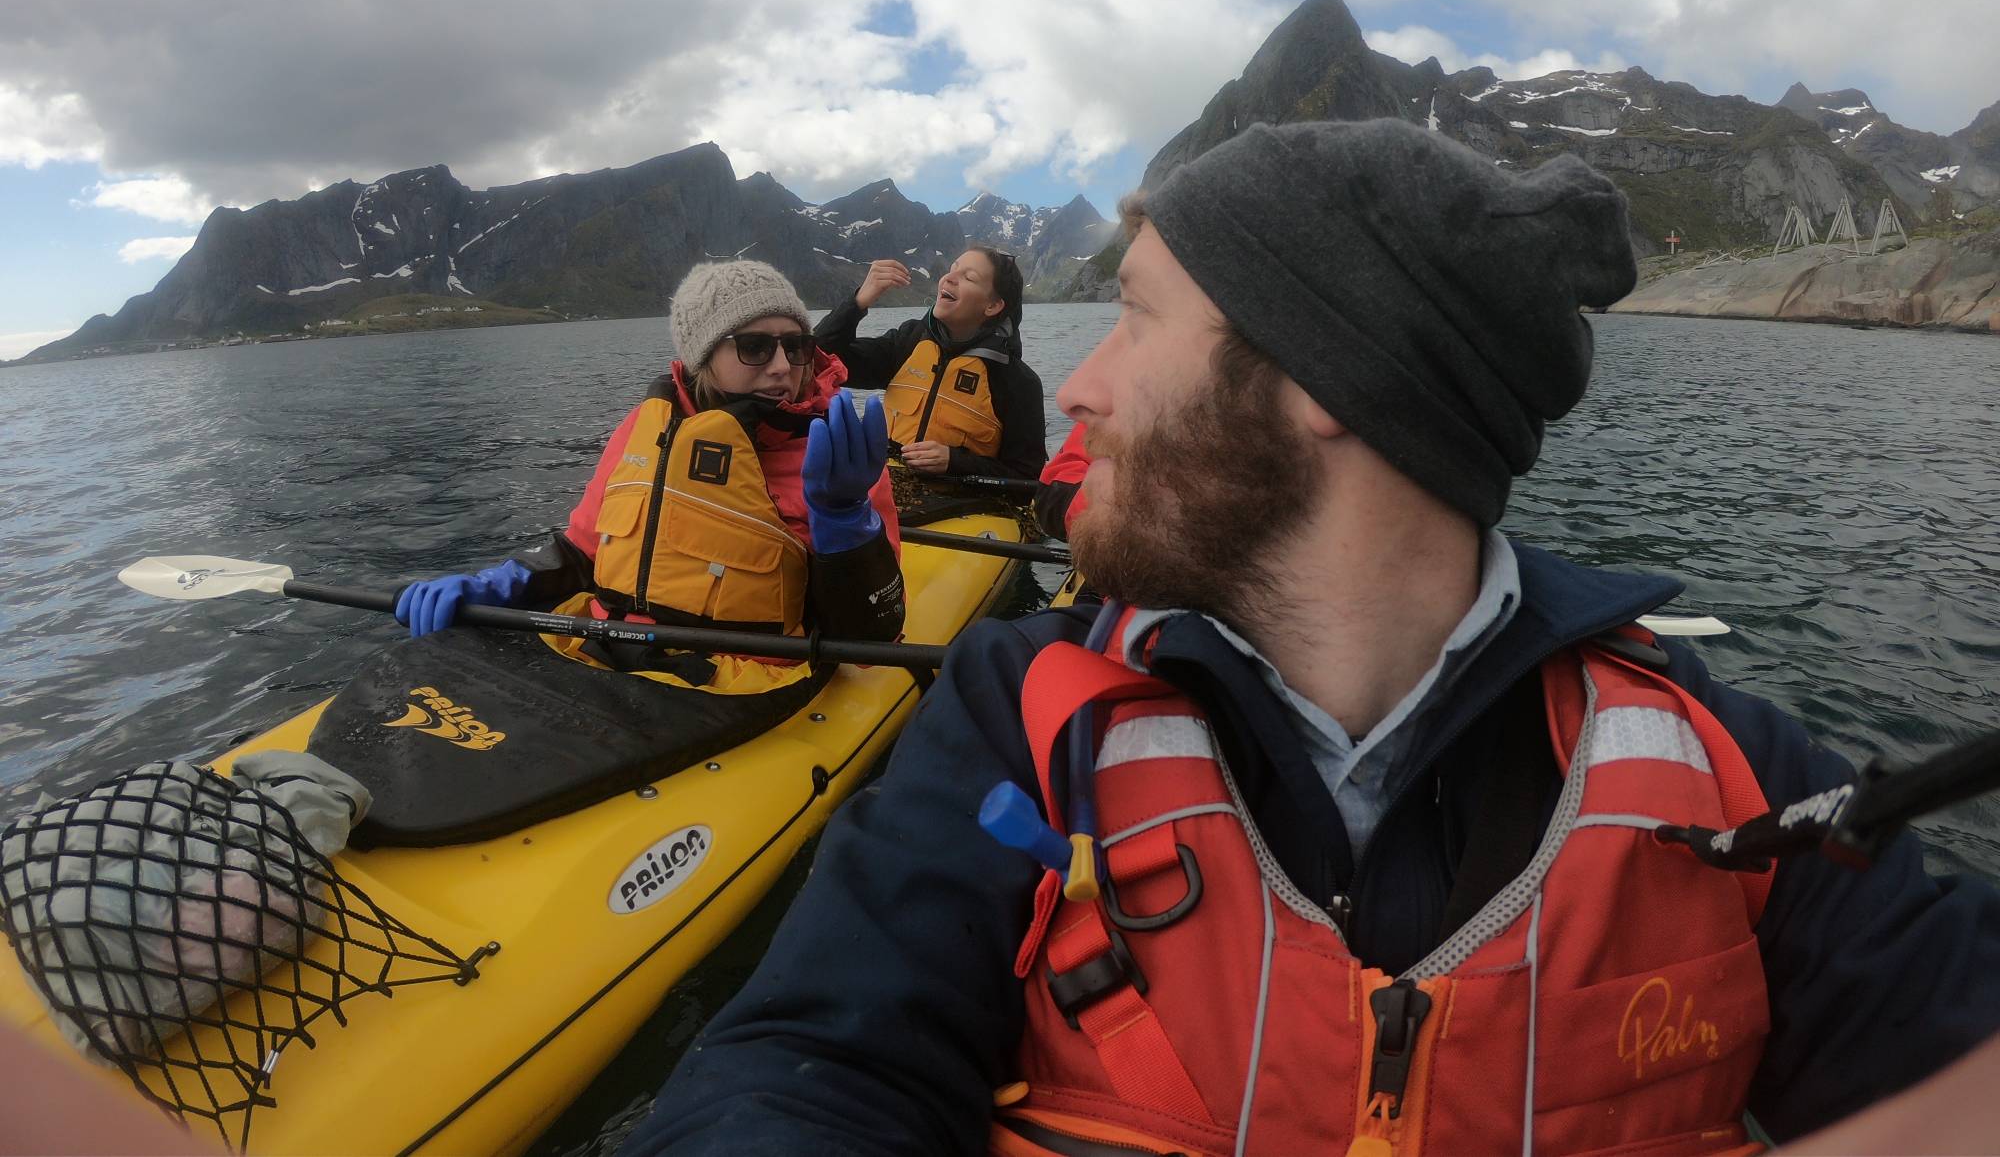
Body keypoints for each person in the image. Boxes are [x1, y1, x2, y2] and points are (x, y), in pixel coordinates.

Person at [621, 120, 2000, 1156]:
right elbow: (803, 1075)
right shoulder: (1024, 711)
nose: (1084, 382)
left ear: (1323, 385)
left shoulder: (1733, 782)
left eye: (1140, 317)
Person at [394, 260, 904, 672]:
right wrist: (498, 585)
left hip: (743, 687)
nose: (780, 366)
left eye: (795, 346)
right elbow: (584, 551)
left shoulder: (840, 457)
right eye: (754, 346)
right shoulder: (647, 427)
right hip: (604, 653)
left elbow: (868, 638)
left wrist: (845, 521)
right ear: (704, 356)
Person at [813, 246, 1048, 483]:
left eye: (968, 277)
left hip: (967, 510)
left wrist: (955, 462)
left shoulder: (1018, 382)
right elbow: (818, 360)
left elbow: (1026, 476)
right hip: (885, 491)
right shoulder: (907, 341)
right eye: (952, 269)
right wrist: (859, 301)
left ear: (993, 305)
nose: (949, 278)